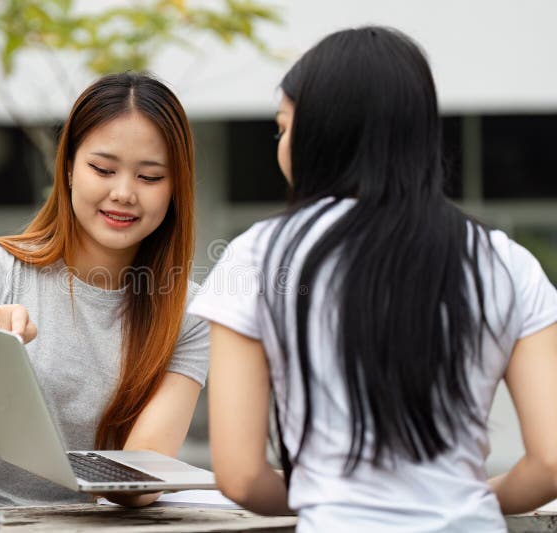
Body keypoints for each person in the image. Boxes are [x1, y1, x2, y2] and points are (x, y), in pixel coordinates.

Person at [189, 26, 557, 532]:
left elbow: (241, 476)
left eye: (284, 127)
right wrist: (467, 501)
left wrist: (330, 501)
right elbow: (551, 461)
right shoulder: (506, 262)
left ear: (323, 133)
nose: (281, 145)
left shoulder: (259, 255)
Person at [0, 72, 209, 509]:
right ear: (68, 169)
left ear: (176, 189)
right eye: (102, 169)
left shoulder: (189, 315)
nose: (123, 193)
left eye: (150, 177)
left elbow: (139, 485)